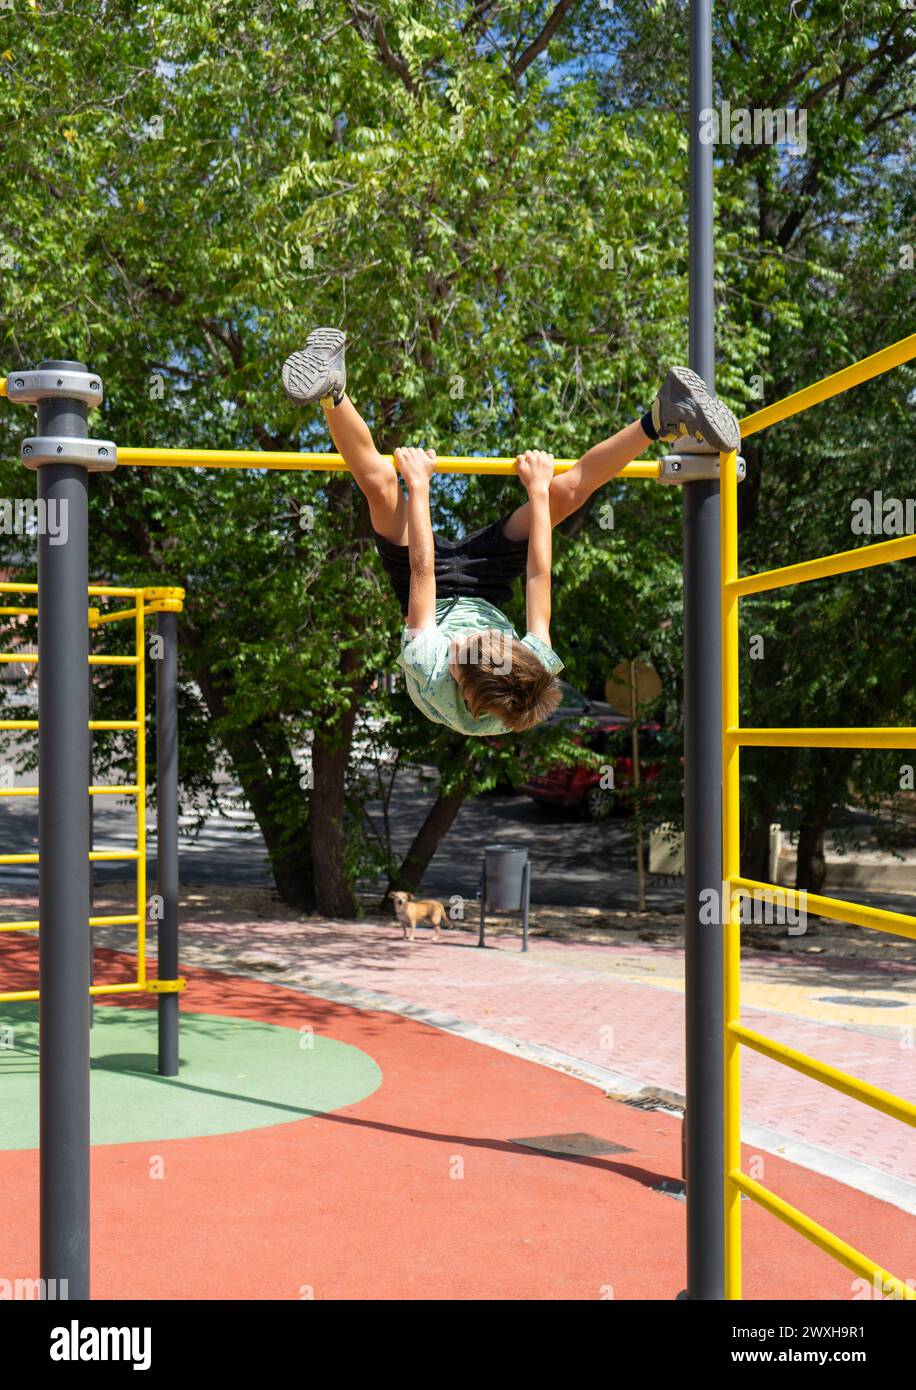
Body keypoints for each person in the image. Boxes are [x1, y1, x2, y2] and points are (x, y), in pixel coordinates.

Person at [282, 328, 740, 736]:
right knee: (564, 496)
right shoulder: (531, 665)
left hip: (428, 596)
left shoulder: (430, 664)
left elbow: (423, 571)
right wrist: (539, 492)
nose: (465, 638)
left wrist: (418, 486)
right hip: (485, 588)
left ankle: (332, 391)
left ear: (457, 681)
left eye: (463, 648)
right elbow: (538, 576)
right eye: (485, 639)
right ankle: (663, 416)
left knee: (382, 485)